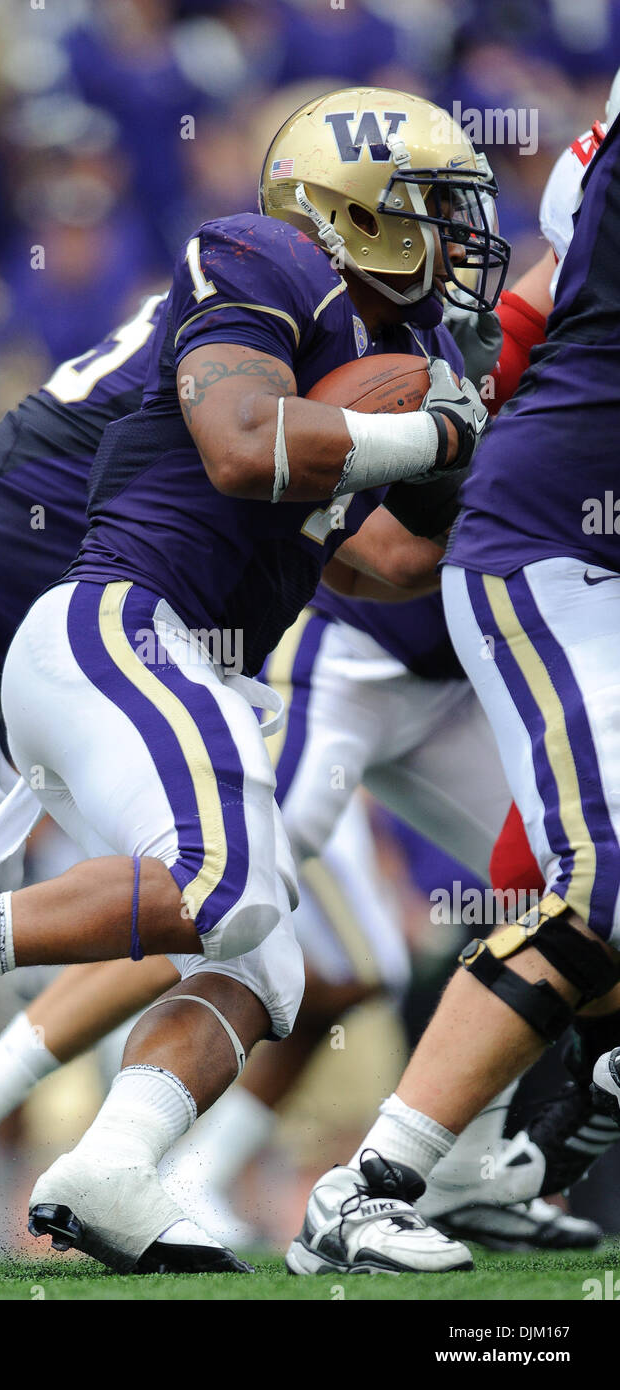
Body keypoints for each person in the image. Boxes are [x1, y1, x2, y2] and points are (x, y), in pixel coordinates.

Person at [0, 87, 498, 1275]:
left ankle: (115, 1163)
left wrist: (493, 489)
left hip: (166, 654)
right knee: (217, 874)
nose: (458, 236)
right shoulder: (260, 252)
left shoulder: (407, 353)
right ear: (354, 212)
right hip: (112, 625)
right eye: (435, 209)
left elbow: (383, 557)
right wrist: (425, 437)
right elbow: (240, 440)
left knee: (262, 957)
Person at [287, 103, 620, 1277]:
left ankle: (517, 1143)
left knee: (571, 870)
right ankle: (365, 1185)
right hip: (550, 549)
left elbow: (535, 290)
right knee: (601, 873)